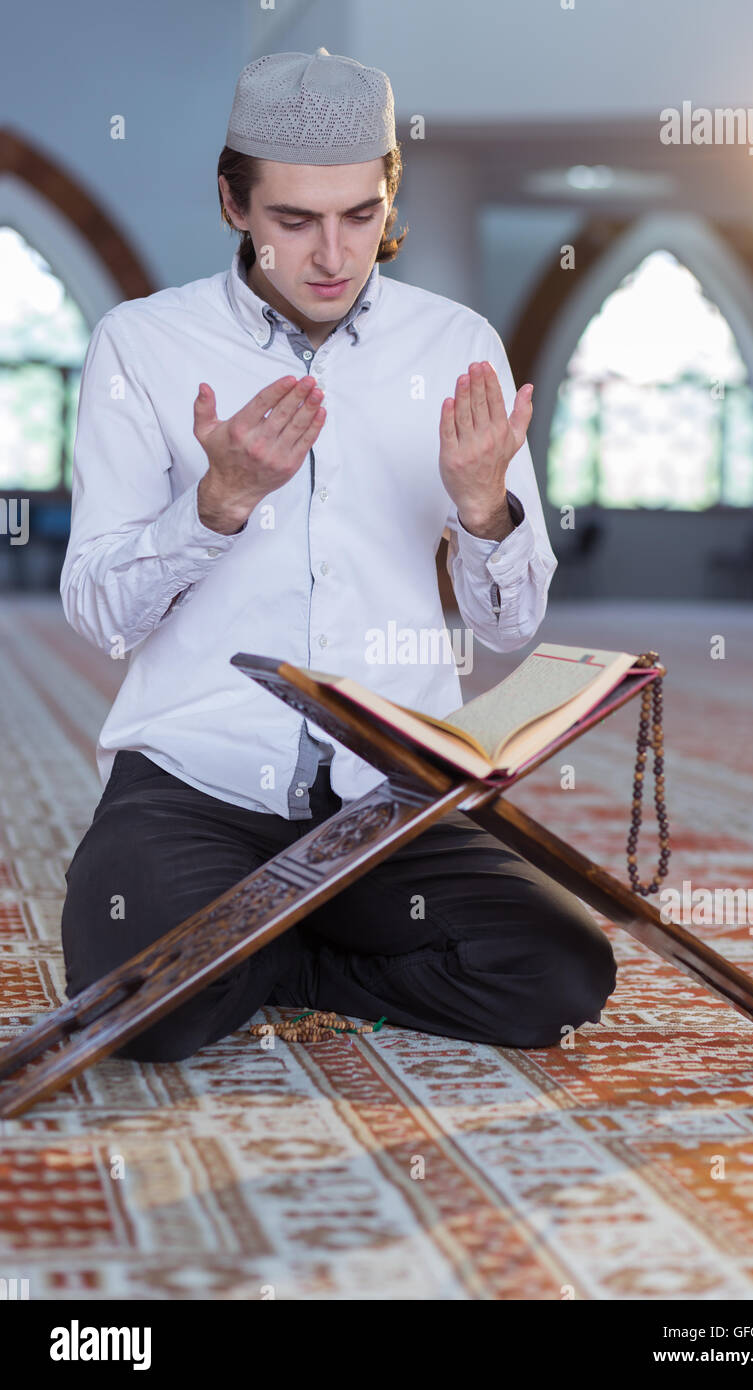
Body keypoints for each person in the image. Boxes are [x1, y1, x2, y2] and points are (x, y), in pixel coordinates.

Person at [59, 47, 617, 1061]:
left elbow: (511, 625)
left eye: (359, 216)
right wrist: (214, 504)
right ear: (233, 203)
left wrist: (486, 509)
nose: (332, 253)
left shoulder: (457, 345)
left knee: (557, 976)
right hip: (196, 777)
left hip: (390, 796)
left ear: (386, 195)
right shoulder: (140, 346)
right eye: (294, 220)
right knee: (140, 1006)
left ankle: (279, 953)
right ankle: (250, 949)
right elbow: (101, 614)